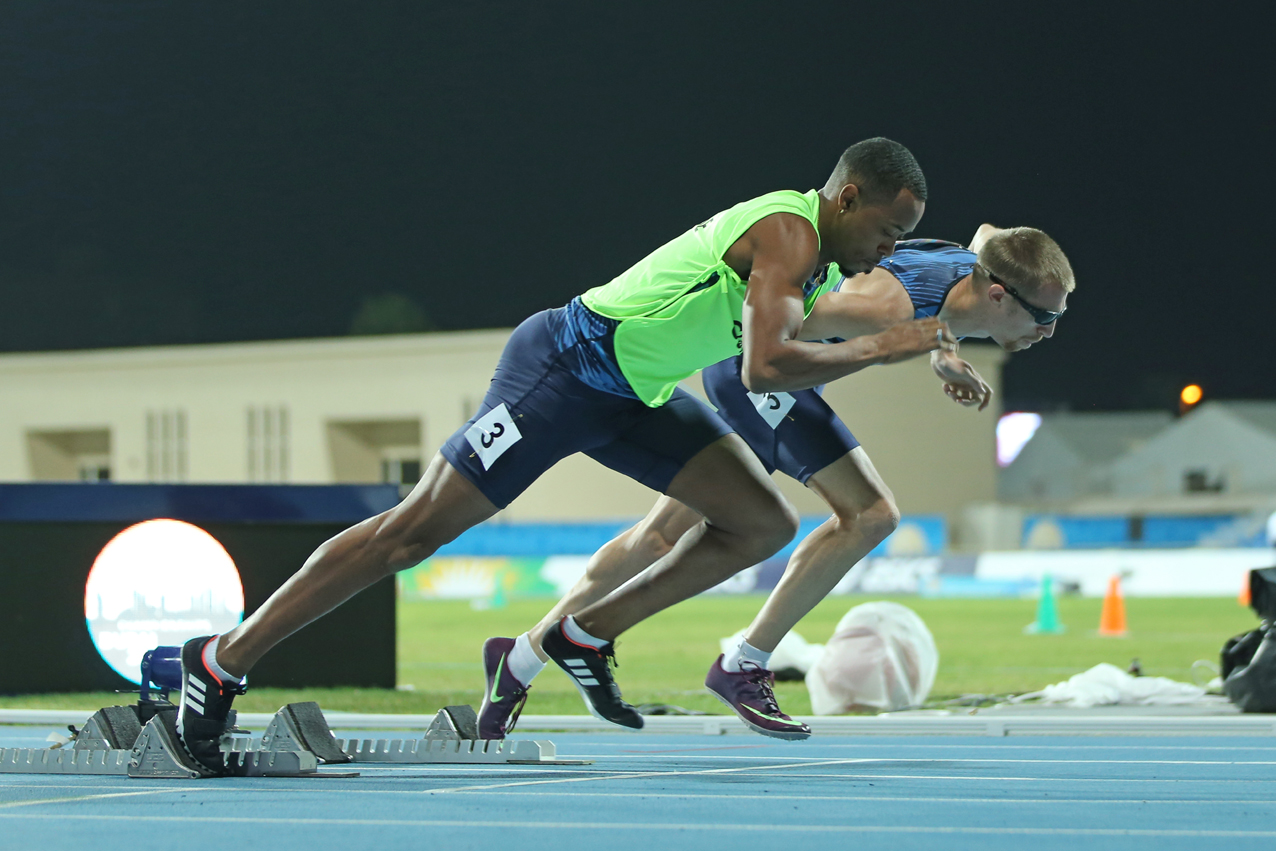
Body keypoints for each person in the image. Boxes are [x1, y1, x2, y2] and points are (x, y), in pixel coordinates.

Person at [171, 137, 947, 775]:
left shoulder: (819, 264)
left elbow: (837, 324)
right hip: (563, 369)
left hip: (632, 395)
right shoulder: (790, 234)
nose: (890, 249)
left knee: (758, 522)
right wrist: (888, 345)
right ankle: (221, 661)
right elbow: (764, 367)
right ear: (847, 198)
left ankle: (580, 636)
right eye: (889, 229)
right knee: (411, 534)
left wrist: (931, 332)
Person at [478, 225, 1074, 739]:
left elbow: (990, 235)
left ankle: (522, 658)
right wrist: (936, 346)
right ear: (996, 293)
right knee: (870, 515)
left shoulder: (982, 261)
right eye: (1044, 317)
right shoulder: (886, 303)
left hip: (772, 374)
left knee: (660, 535)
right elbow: (774, 322)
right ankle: (745, 661)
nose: (1049, 333)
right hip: (754, 375)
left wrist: (941, 349)